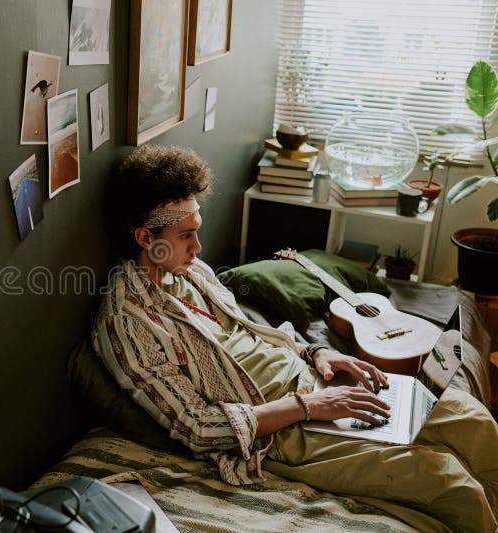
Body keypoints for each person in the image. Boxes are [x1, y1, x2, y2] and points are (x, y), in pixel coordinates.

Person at [92, 145, 498, 532]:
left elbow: (253, 333)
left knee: (472, 419)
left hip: (319, 384)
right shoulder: (128, 322)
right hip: (284, 431)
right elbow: (198, 428)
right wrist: (310, 405)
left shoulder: (193, 273)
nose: (199, 247)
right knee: (449, 483)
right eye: (186, 236)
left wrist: (316, 352)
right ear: (146, 238)